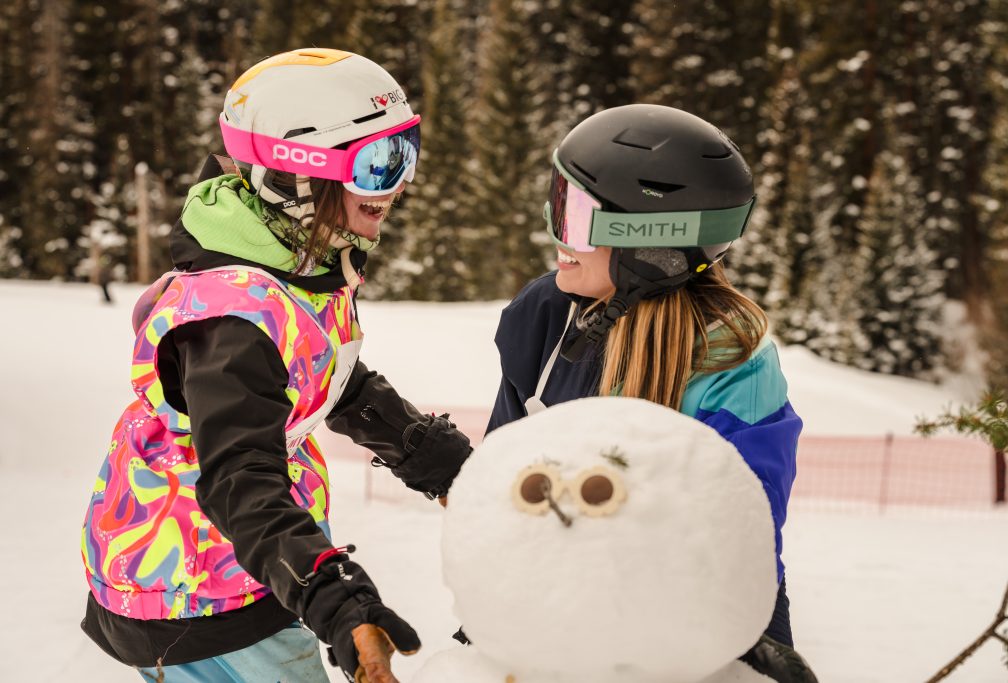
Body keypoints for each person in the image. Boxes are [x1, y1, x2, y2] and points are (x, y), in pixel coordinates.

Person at [80, 48, 470, 683]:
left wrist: (438, 461)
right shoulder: (233, 322)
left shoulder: (291, 264)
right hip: (202, 591)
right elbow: (240, 478)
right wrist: (333, 598)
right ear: (298, 175)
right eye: (376, 164)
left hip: (236, 563)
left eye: (405, 152)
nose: (398, 184)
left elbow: (329, 378)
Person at [487, 104, 816, 680]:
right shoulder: (544, 316)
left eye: (575, 214)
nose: (552, 228)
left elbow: (743, 524)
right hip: (556, 597)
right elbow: (503, 477)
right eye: (557, 199)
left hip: (699, 611)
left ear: (648, 239)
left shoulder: (732, 358)